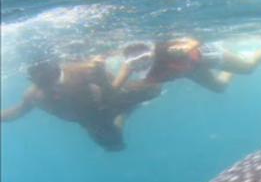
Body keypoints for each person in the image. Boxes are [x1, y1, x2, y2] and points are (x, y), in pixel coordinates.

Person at [1, 57, 161, 151]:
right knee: (113, 145)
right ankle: (124, 114)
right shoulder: (34, 96)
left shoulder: (82, 71)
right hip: (92, 119)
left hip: (114, 99)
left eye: (49, 77)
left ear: (56, 70)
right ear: (33, 81)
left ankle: (127, 107)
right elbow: (18, 111)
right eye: (42, 81)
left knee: (155, 89)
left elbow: (111, 91)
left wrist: (119, 73)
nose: (50, 84)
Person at [114, 37, 261, 93]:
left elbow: (196, 40)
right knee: (220, 88)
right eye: (136, 64)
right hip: (190, 71)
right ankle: (235, 61)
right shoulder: (130, 66)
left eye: (145, 60)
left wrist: (188, 47)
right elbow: (116, 87)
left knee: (249, 68)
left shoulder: (167, 50)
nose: (141, 65)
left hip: (205, 56)